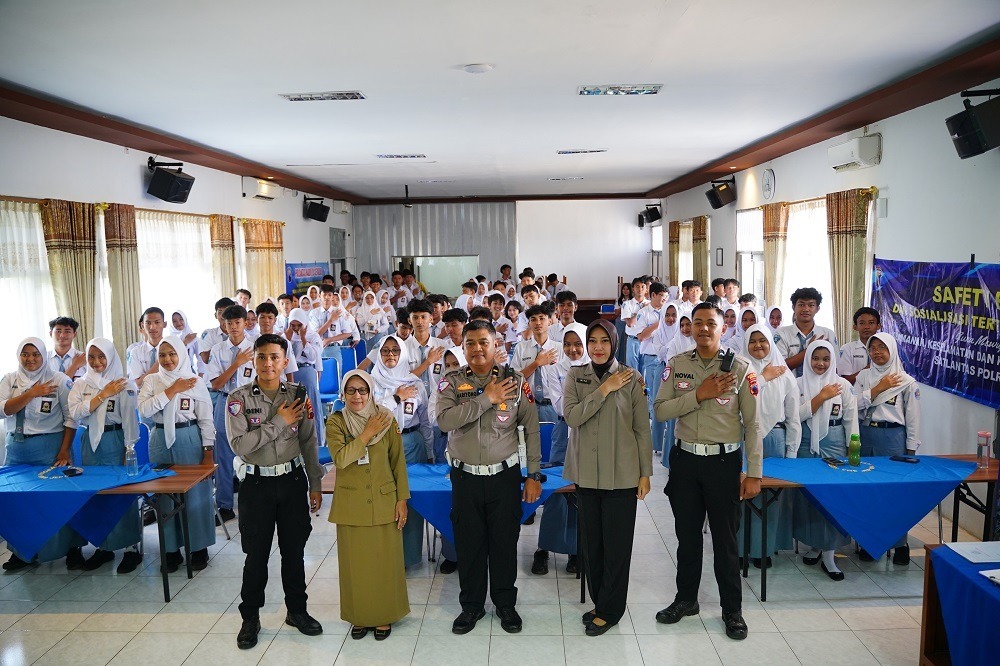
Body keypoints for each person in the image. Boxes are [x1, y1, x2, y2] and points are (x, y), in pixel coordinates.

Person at [653, 303, 763, 641]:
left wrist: (754, 472)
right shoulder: (678, 365)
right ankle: (686, 600)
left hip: (723, 464)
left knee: (726, 542)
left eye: (710, 323)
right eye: (697, 323)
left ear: (723, 327)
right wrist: (699, 395)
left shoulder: (741, 369)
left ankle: (732, 609)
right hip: (685, 462)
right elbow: (659, 410)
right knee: (687, 539)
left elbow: (754, 425)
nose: (703, 329)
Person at [436, 320, 542, 635]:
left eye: (484, 342)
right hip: (465, 477)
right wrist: (486, 399)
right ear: (463, 346)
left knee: (504, 542)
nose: (477, 349)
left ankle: (505, 604)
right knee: (469, 544)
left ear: (496, 344)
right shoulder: (451, 381)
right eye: (470, 343)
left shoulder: (516, 381)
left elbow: (531, 428)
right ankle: (471, 606)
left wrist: (533, 473)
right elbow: (444, 421)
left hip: (504, 477)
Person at [226, 333, 325, 649]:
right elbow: (240, 446)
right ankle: (250, 618)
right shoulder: (238, 399)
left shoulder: (298, 394)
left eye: (274, 357)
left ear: (285, 361)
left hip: (292, 482)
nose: (268, 363)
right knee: (256, 556)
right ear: (253, 360)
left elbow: (309, 441)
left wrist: (316, 483)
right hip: (256, 485)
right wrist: (279, 422)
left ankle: (297, 611)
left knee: (294, 552)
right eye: (261, 357)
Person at [563, 320, 652, 636]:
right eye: (593, 341)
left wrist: (645, 473)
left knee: (616, 546)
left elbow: (642, 428)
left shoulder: (632, 378)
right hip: (586, 474)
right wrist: (603, 389)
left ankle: (612, 609)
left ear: (614, 342)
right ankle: (602, 603)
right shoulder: (576, 375)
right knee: (593, 546)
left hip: (622, 475)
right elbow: (572, 417)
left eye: (604, 340)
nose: (598, 346)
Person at [327, 369, 410, 640]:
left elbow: (398, 462)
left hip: (385, 499)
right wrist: (366, 434)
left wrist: (402, 500)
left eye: (363, 390)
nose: (357, 396)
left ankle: (384, 615)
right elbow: (340, 459)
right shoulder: (336, 422)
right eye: (351, 390)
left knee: (384, 563)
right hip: (352, 504)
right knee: (356, 567)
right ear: (343, 394)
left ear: (371, 391)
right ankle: (359, 616)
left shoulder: (385, 418)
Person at [0, 338, 84, 570]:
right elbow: (3, 409)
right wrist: (31, 393)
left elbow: (71, 417)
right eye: (25, 354)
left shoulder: (58, 380)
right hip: (17, 448)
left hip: (50, 446)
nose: (30, 359)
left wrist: (65, 449)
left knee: (59, 499)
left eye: (35, 354)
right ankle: (23, 553)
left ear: (44, 356)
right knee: (18, 502)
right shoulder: (10, 379)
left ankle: (72, 549)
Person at [138, 335, 216, 572]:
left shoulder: (195, 381)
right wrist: (171, 390)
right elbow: (144, 409)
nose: (168, 359)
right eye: (162, 355)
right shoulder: (151, 380)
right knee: (164, 496)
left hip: (189, 438)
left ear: (181, 354)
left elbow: (205, 419)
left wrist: (208, 452)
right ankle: (170, 550)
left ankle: (198, 548)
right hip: (160, 440)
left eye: (172, 354)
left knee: (195, 495)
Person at [67, 337, 144, 572]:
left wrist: (128, 450)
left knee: (121, 494)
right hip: (90, 442)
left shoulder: (124, 384)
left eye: (101, 357)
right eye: (91, 357)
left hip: (116, 440)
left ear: (110, 357)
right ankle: (104, 548)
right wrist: (102, 395)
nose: (96, 362)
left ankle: (131, 549)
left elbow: (131, 422)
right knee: (97, 496)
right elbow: (76, 413)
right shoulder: (82, 384)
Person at [735, 324, 801, 569]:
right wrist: (763, 378)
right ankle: (740, 549)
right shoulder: (739, 369)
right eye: (753, 341)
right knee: (741, 494)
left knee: (770, 499)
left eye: (763, 341)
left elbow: (793, 417)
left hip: (774, 438)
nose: (758, 346)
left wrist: (791, 452)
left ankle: (763, 550)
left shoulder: (785, 374)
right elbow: (736, 396)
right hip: (743, 438)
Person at [853, 332, 920, 564]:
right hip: (866, 435)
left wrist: (911, 448)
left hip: (894, 437)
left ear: (892, 349)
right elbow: (854, 405)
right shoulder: (863, 376)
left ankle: (901, 544)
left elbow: (913, 418)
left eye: (883, 347)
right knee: (868, 492)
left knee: (894, 493)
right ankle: (870, 543)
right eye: (873, 348)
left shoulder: (906, 381)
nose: (878, 352)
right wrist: (880, 387)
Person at [794, 340, 857, 581]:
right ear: (808, 358)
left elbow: (851, 419)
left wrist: (853, 448)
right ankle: (814, 545)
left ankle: (829, 554)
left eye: (826, 359)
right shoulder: (798, 384)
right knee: (809, 497)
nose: (820, 363)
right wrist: (821, 396)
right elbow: (796, 416)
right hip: (805, 440)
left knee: (832, 497)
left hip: (834, 440)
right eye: (816, 358)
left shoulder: (842, 385)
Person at [510, 304, 564, 575]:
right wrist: (536, 363)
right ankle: (529, 507)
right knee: (529, 457)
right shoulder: (522, 348)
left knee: (553, 461)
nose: (538, 323)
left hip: (554, 406)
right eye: (533, 319)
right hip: (529, 406)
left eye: (542, 318)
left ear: (551, 320)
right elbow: (513, 379)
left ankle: (550, 503)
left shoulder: (561, 346)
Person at [369, 335, 432, 566]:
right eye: (385, 351)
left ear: (404, 353)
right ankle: (386, 558)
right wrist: (397, 397)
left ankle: (409, 557)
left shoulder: (414, 383)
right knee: (385, 499)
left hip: (412, 443)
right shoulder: (371, 382)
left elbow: (425, 421)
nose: (391, 355)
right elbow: (373, 415)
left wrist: (430, 451)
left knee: (410, 500)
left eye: (396, 350)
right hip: (382, 444)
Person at [204, 304, 256, 520]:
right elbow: (216, 384)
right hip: (225, 403)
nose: (233, 327)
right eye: (229, 324)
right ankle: (224, 505)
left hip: (251, 403)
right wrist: (236, 364)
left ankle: (254, 500)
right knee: (223, 456)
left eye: (237, 323)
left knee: (253, 451)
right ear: (223, 326)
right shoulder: (218, 350)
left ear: (245, 323)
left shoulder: (256, 347)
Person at [284, 308, 325, 447]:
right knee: (293, 407)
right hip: (290, 374)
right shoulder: (285, 337)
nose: (296, 329)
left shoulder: (313, 336)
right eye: (293, 325)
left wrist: (303, 338)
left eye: (299, 325)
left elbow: (314, 357)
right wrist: (287, 339)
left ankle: (317, 442)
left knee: (311, 406)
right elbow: (283, 356)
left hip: (307, 371)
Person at [775, 287, 838, 377]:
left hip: (820, 387)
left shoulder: (828, 334)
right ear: (793, 307)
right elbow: (781, 367)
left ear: (817, 309)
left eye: (811, 305)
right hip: (789, 388)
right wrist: (810, 349)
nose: (806, 309)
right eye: (801, 305)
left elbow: (834, 368)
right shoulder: (781, 334)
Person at [637, 284, 668, 453]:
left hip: (668, 360)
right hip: (652, 359)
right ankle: (655, 440)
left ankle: (666, 435)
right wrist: (660, 323)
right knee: (654, 398)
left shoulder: (669, 311)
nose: (664, 299)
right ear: (653, 295)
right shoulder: (644, 313)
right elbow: (641, 336)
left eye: (666, 297)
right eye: (661, 296)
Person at [839, 307, 881, 384]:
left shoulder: (886, 349)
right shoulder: (847, 349)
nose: (867, 327)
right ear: (855, 327)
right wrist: (869, 368)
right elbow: (844, 381)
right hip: (855, 394)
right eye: (862, 323)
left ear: (878, 326)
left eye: (871, 323)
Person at [620, 277, 647, 372]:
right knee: (632, 370)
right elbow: (630, 323)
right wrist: (642, 310)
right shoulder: (627, 304)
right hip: (633, 340)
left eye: (643, 287)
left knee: (645, 369)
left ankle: (645, 387)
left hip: (646, 340)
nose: (640, 289)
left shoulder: (650, 304)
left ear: (646, 289)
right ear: (633, 289)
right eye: (637, 287)